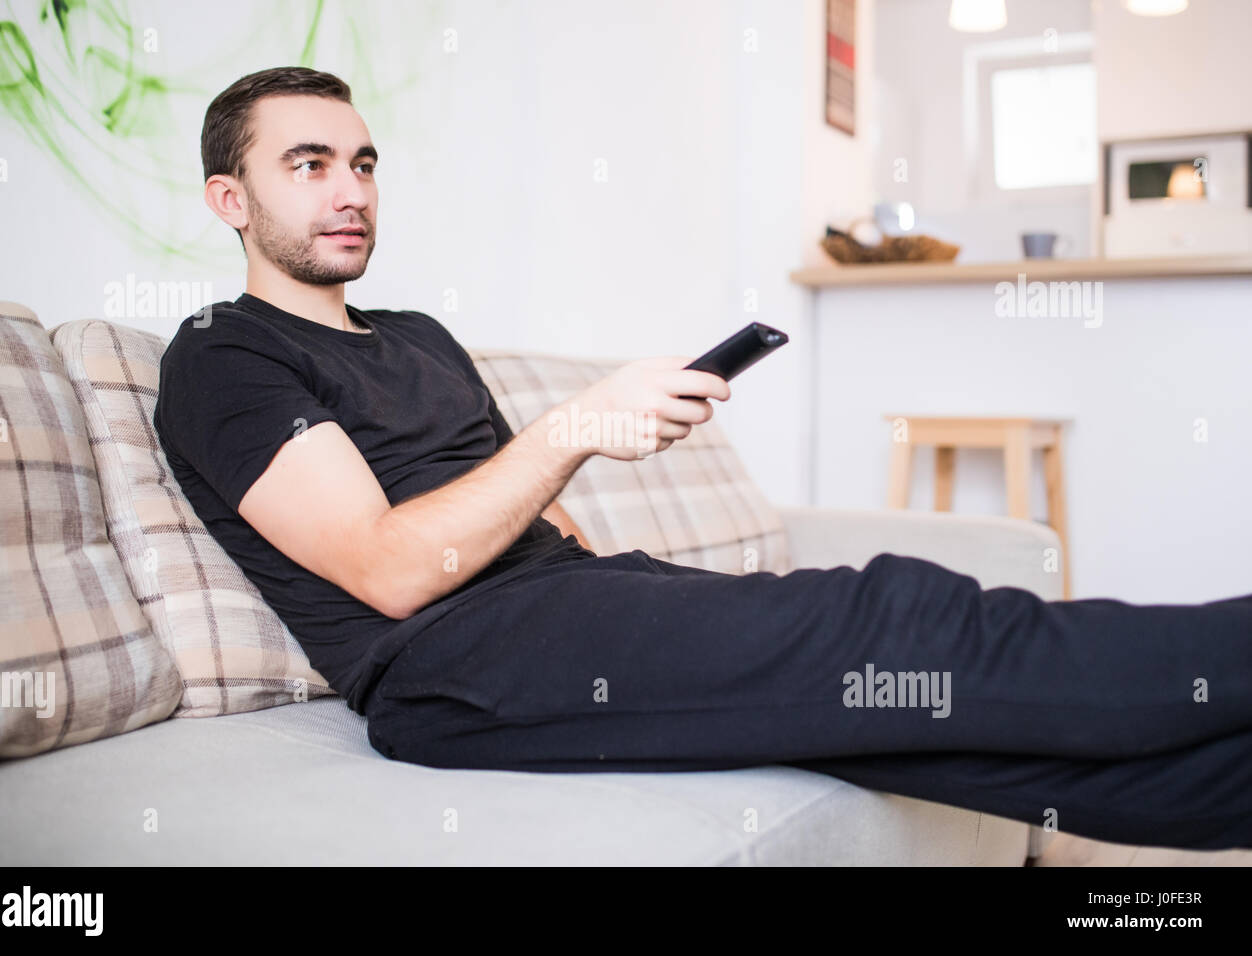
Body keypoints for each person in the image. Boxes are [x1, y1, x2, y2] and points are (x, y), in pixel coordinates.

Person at [154, 66, 1252, 853]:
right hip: (448, 669)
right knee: (895, 616)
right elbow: (391, 569)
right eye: (308, 164)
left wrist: (613, 573)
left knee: (911, 722)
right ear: (231, 200)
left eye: (361, 162)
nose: (349, 190)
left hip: (562, 607)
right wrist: (578, 425)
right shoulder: (223, 354)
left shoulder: (417, 336)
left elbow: (525, 515)